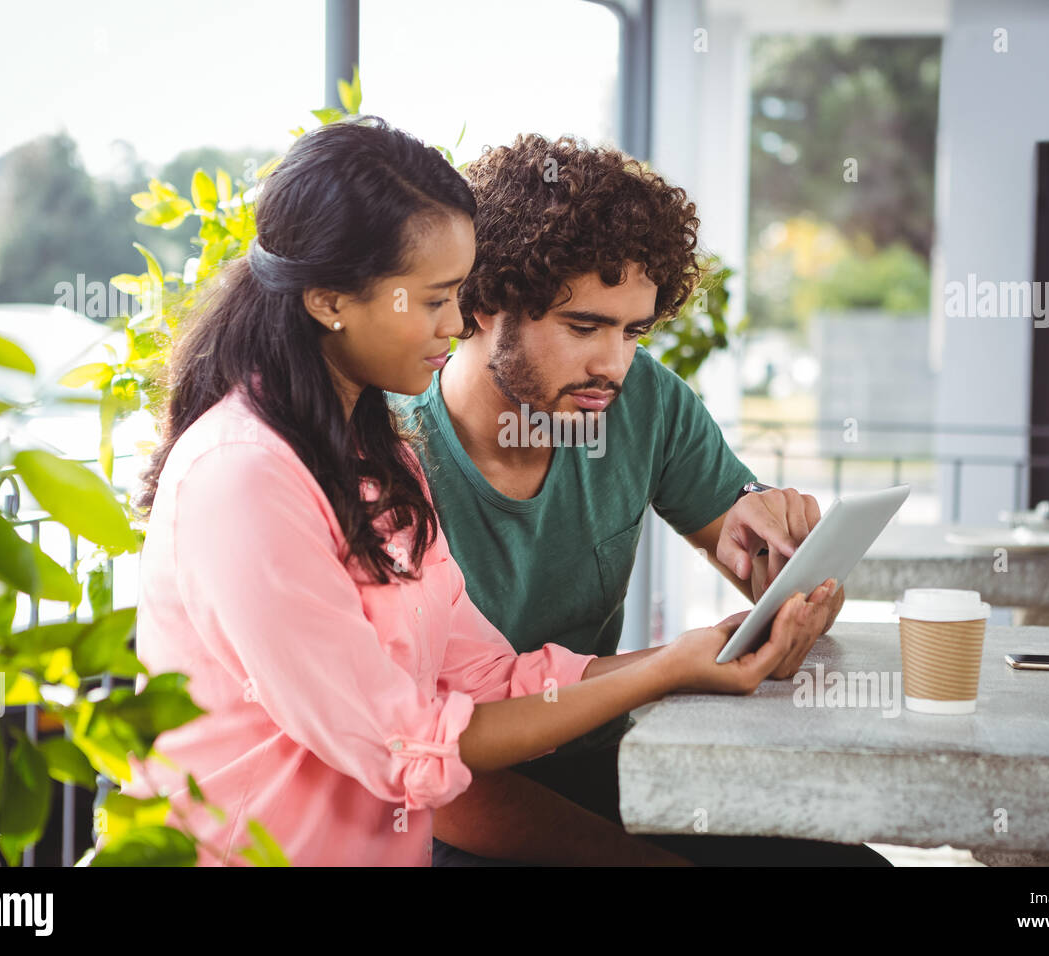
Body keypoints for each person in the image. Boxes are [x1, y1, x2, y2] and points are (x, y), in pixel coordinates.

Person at [121, 117, 840, 866]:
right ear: (330, 300)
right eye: (436, 300)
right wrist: (664, 672)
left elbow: (488, 678)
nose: (457, 322)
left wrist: (696, 655)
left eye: (457, 294)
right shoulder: (244, 479)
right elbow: (411, 744)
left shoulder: (371, 455)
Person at [396, 133, 889, 866]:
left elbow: (752, 553)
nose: (613, 365)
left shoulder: (640, 401)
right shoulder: (387, 461)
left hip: (603, 758)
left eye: (633, 330)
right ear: (486, 299)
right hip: (451, 811)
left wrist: (788, 581)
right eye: (583, 327)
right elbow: (425, 771)